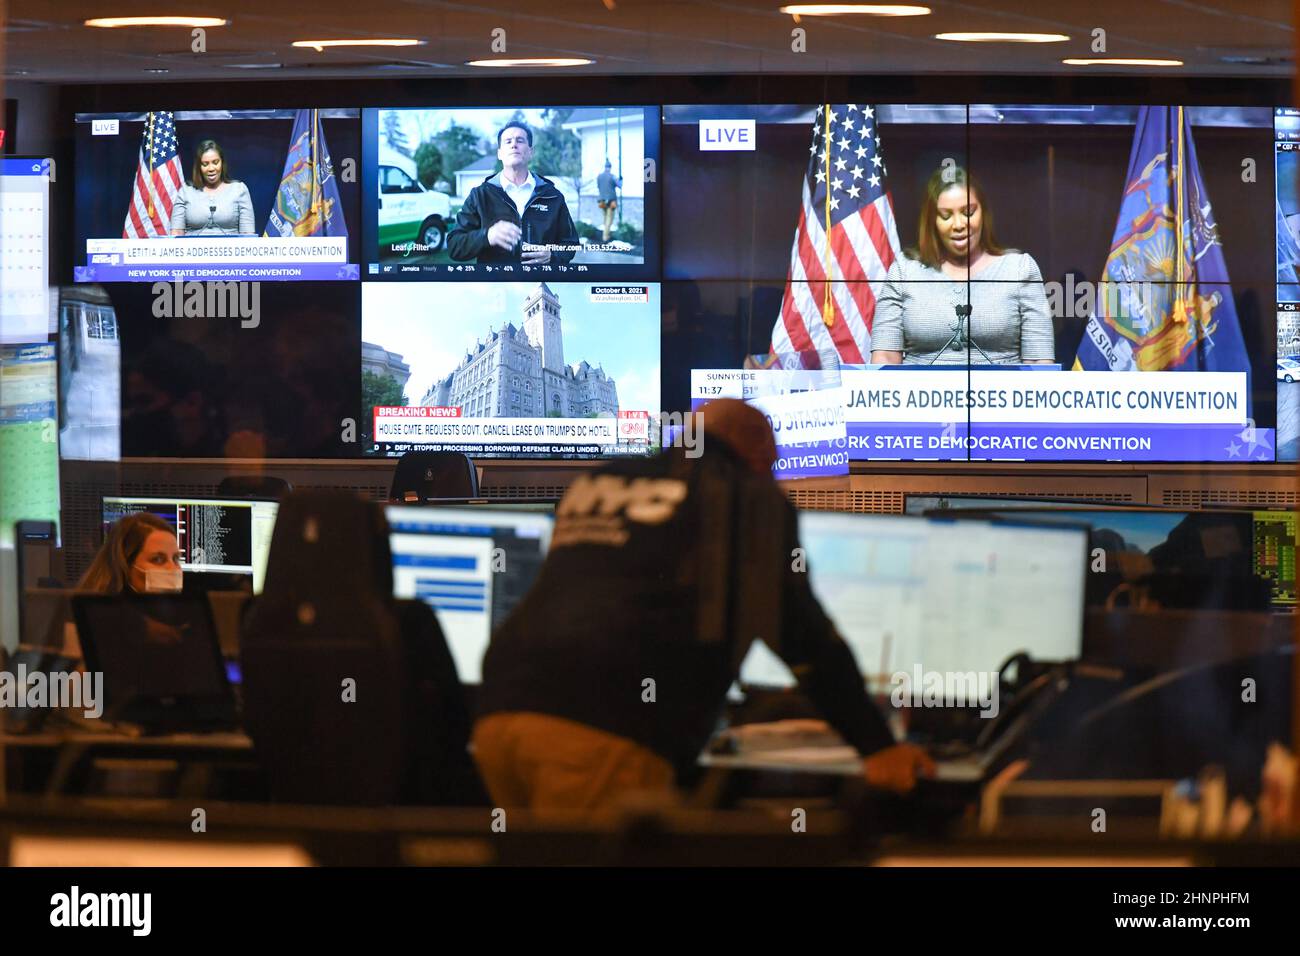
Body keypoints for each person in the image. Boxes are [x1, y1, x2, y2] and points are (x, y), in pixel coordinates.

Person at [473, 399, 935, 811]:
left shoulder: (597, 480)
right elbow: (801, 631)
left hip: (498, 714)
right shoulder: (748, 496)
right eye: (772, 464)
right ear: (756, 453)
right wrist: (876, 745)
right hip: (601, 731)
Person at [870, 166, 1055, 366]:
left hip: (1001, 395)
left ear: (983, 213)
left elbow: (1039, 363)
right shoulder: (904, 270)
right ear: (932, 221)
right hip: (921, 396)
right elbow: (884, 361)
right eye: (946, 215)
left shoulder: (1020, 269)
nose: (958, 224)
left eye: (968, 212)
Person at [446, 123, 578, 267]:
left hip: (539, 284)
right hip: (496, 285)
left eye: (520, 140)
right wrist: (486, 236)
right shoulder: (480, 195)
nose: (514, 145)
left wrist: (553, 255)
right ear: (500, 153)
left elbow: (570, 244)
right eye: (508, 141)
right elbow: (454, 245)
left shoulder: (552, 196)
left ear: (530, 152)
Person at [78, 513, 183, 594]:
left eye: (175, 559)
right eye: (158, 559)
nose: (173, 569)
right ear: (125, 564)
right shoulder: (96, 615)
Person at [170, 139, 255, 236]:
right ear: (199, 167)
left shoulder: (239, 190)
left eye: (215, 162)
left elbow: (248, 235)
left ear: (222, 163)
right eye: (205, 164)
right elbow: (176, 234)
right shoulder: (186, 191)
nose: (211, 169)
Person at [596, 159, 621, 242]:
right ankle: (605, 237)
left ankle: (607, 234)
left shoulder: (599, 176)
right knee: (609, 219)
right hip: (611, 201)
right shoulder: (613, 176)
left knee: (605, 217)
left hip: (601, 200)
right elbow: (620, 186)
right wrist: (620, 180)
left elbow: (598, 186)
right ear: (610, 167)